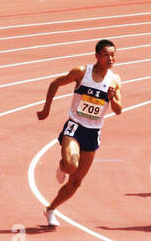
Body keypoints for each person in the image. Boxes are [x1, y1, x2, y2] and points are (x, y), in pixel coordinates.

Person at [36, 38, 122, 227]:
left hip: (93, 133)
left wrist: (112, 98)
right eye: (106, 54)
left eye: (113, 54)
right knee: (71, 165)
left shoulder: (114, 80)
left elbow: (119, 109)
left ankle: (50, 209)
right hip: (75, 126)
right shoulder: (82, 73)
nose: (111, 58)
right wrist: (46, 109)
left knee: (75, 182)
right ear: (97, 56)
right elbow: (55, 84)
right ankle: (63, 164)